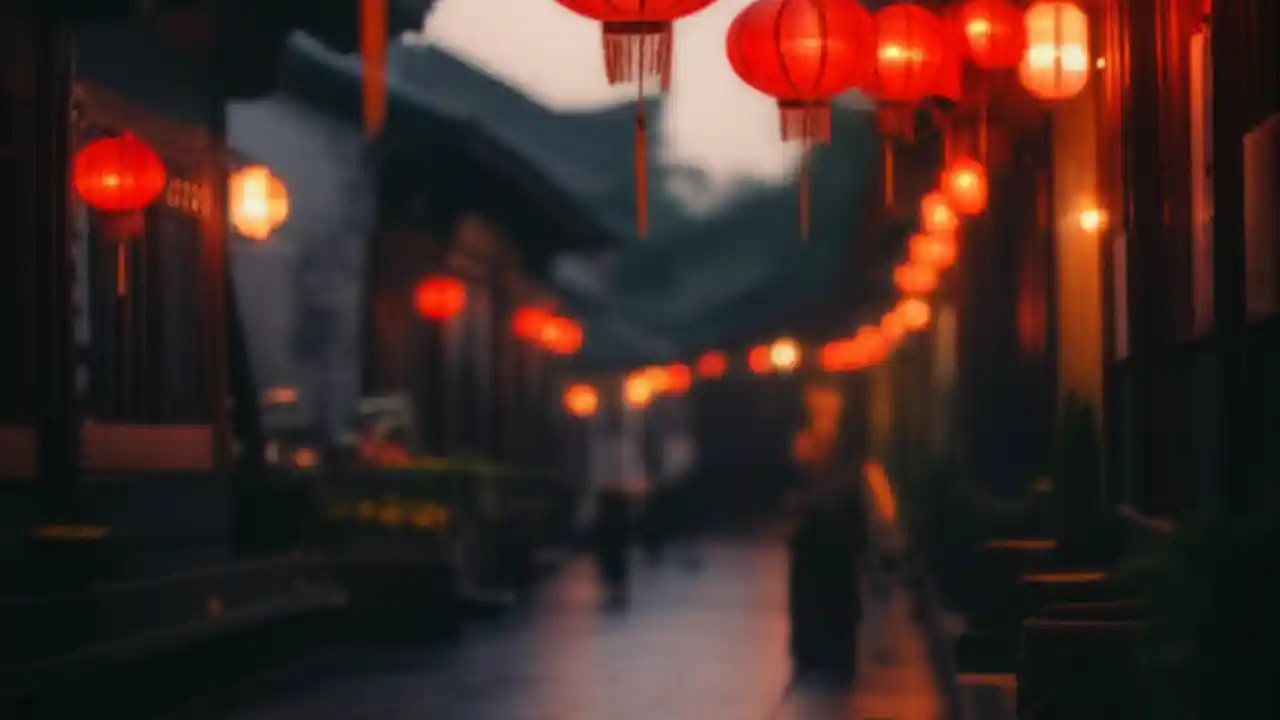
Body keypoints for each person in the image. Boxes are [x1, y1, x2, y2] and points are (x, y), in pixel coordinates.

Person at [787, 381, 870, 677]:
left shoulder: (847, 445)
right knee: (810, 596)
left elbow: (853, 486)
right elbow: (797, 490)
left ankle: (834, 649)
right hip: (812, 536)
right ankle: (811, 649)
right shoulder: (804, 442)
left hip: (839, 537)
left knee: (838, 597)